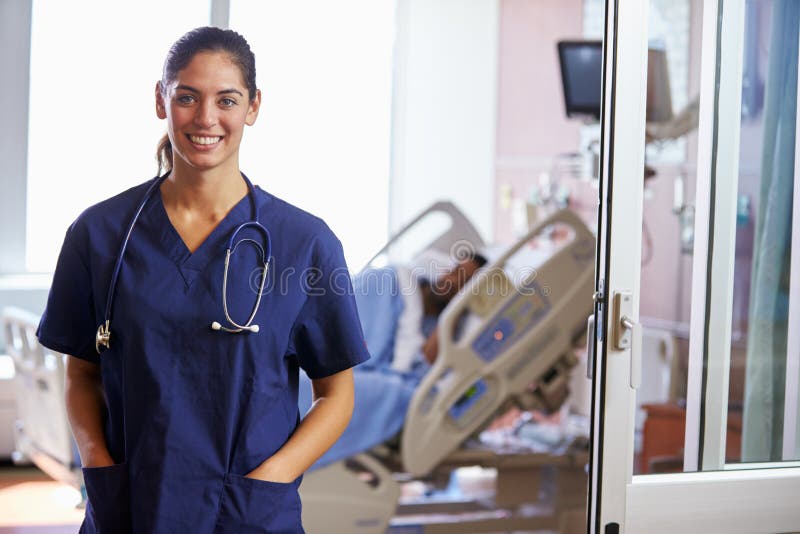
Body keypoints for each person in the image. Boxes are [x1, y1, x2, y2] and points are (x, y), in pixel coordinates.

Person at [36, 27, 369, 533]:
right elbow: (81, 375)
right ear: (160, 100)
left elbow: (336, 394)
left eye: (227, 100)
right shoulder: (99, 234)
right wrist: (97, 461)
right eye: (187, 97)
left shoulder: (305, 242)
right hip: (130, 509)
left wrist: (272, 478)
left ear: (253, 107)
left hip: (247, 515)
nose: (206, 118)